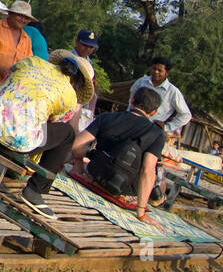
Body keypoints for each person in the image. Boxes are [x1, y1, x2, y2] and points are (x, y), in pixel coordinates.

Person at [0, 48, 94, 219]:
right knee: (67, 133)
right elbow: (50, 123)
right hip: (14, 143)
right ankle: (35, 190)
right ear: (77, 82)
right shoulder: (69, 95)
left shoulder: (33, 61)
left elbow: (6, 83)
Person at [70, 86, 165, 220]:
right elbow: (147, 171)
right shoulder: (156, 134)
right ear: (154, 112)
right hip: (124, 193)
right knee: (159, 173)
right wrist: (141, 212)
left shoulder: (107, 117)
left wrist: (79, 163)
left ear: (132, 101)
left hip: (94, 177)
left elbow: (77, 145)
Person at [128, 55, 192, 140]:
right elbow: (131, 100)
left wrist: (167, 127)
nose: (156, 72)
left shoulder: (172, 92)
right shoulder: (141, 82)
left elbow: (186, 115)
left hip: (149, 131)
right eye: (154, 69)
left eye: (159, 70)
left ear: (167, 73)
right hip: (131, 124)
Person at [69, 29, 100, 132]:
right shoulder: (67, 58)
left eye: (91, 47)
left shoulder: (90, 64)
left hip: (82, 107)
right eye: (85, 45)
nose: (87, 49)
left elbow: (92, 91)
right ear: (77, 42)